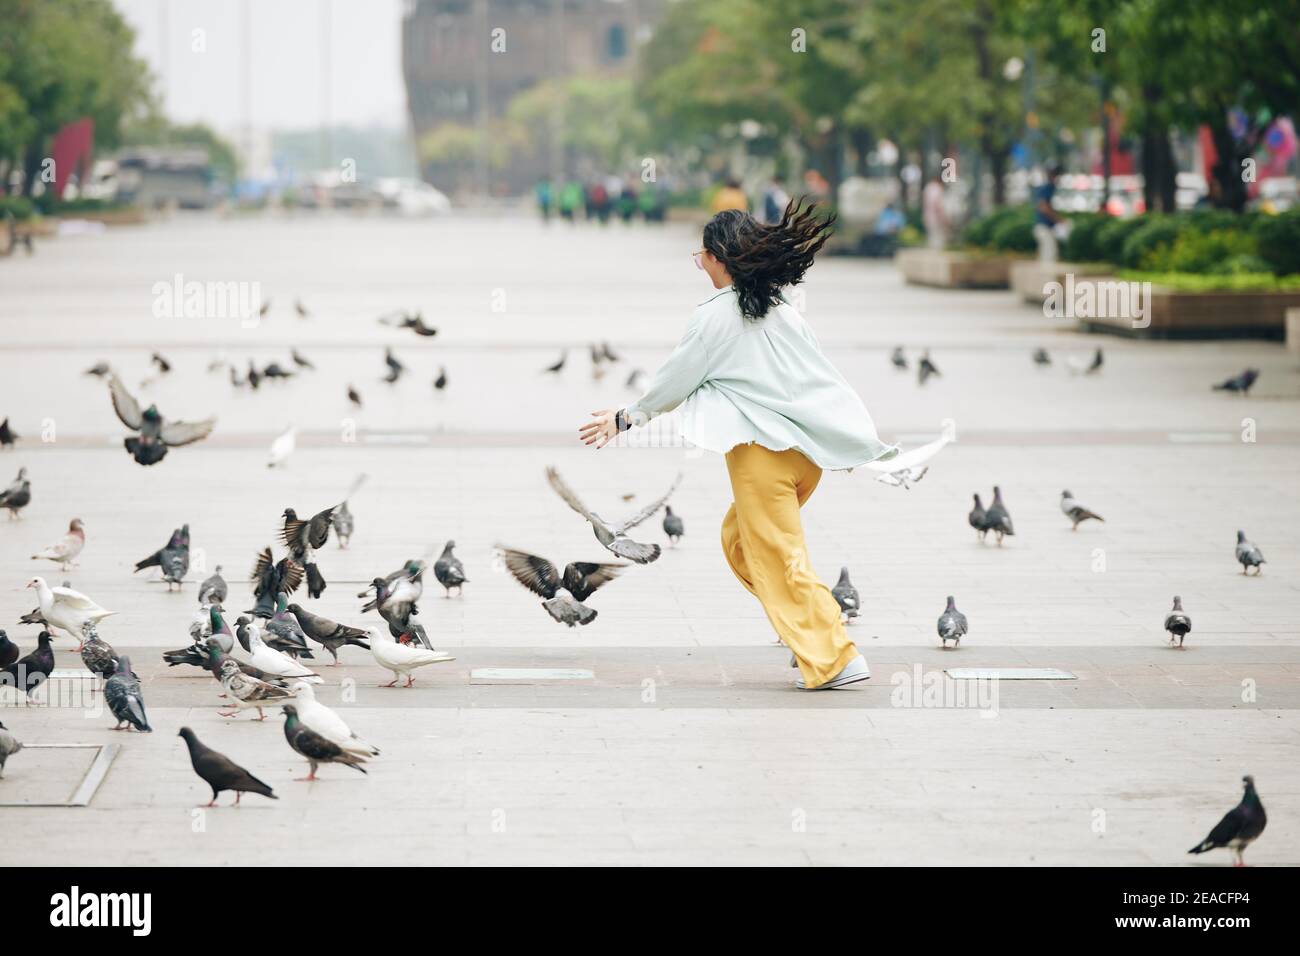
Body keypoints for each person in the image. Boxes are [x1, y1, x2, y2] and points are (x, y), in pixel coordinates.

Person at [578, 200, 897, 691]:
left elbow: (675, 380)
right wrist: (844, 443)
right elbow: (820, 380)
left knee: (778, 556)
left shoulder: (715, 318)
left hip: (762, 457)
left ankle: (835, 657)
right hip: (802, 457)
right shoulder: (781, 309)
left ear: (718, 258)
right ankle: (808, 633)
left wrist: (626, 418)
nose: (696, 261)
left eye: (701, 253)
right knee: (740, 543)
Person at [1034, 164, 1065, 262]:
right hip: (1044, 227)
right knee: (1049, 254)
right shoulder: (1047, 188)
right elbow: (1043, 207)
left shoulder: (1050, 188)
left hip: (1046, 227)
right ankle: (1047, 277)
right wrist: (1058, 219)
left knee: (1048, 253)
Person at [921, 174, 949, 249]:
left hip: (927, 215)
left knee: (931, 237)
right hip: (936, 217)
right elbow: (937, 204)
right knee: (938, 239)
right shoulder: (937, 188)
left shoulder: (928, 187)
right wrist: (943, 216)